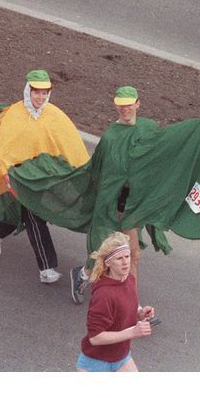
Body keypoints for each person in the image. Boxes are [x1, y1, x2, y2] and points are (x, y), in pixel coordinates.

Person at [0, 70, 89, 283]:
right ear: (27, 91)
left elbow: (69, 146)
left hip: (43, 179)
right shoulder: (14, 115)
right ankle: (46, 268)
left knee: (27, 215)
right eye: (36, 93)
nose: (40, 97)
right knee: (34, 217)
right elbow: (4, 149)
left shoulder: (56, 116)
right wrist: (6, 175)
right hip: (20, 178)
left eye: (44, 93)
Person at [69, 85, 153, 303]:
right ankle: (82, 275)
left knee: (133, 255)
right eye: (121, 104)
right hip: (112, 206)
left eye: (129, 104)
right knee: (105, 255)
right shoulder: (110, 138)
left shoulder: (148, 129)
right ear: (116, 105)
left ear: (138, 103)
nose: (125, 108)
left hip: (131, 208)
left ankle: (131, 307)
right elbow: (97, 172)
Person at [76, 232, 156, 372]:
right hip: (95, 362)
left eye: (127, 256)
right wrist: (133, 332)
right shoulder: (104, 295)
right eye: (119, 258)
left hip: (121, 357)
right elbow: (95, 338)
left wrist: (140, 312)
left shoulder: (129, 279)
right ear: (108, 263)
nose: (125, 262)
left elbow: (128, 302)